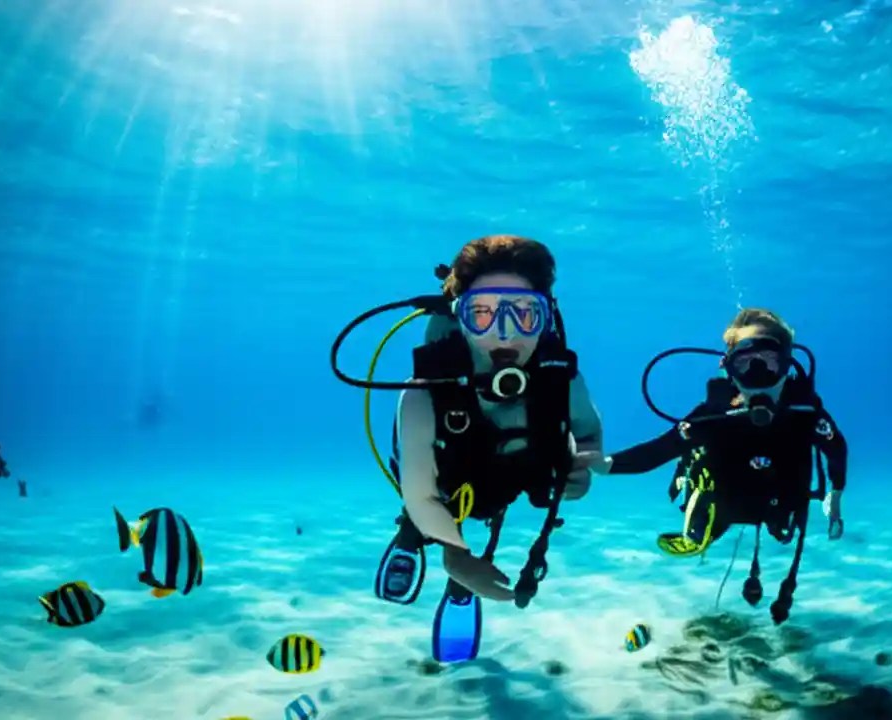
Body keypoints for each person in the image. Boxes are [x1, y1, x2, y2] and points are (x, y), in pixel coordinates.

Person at [329, 234, 603, 662]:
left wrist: (581, 472)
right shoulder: (422, 393)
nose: (505, 334)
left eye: (525, 316)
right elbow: (420, 494)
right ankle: (413, 539)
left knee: (491, 517)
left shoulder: (562, 381)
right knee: (423, 516)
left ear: (546, 319)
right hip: (443, 483)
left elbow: (589, 435)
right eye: (483, 314)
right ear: (460, 318)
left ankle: (462, 584)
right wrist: (455, 556)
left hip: (509, 479)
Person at [589, 308, 847, 625]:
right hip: (723, 501)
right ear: (729, 370)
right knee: (703, 531)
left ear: (788, 365)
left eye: (769, 363)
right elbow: (659, 450)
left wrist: (834, 495)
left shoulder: (805, 412)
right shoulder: (713, 413)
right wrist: (605, 465)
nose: (758, 377)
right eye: (746, 364)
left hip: (778, 501)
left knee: (782, 529)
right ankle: (700, 530)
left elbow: (837, 448)